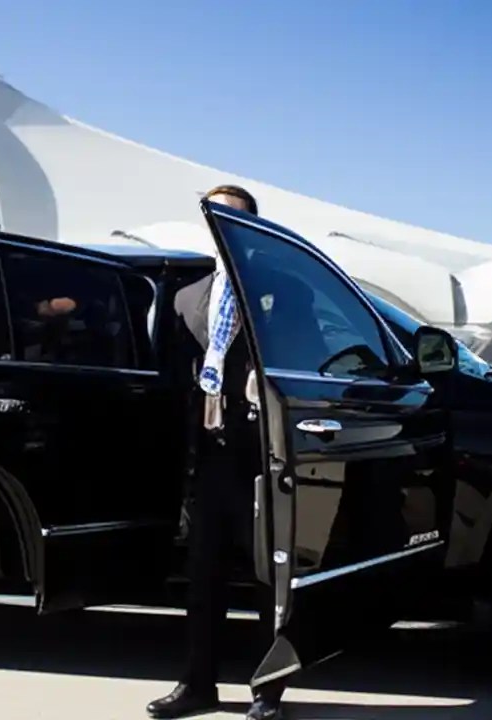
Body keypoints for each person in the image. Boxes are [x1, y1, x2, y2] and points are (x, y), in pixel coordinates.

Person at [146, 185, 287, 720]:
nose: (221, 227)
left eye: (232, 219)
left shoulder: (278, 291)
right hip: (211, 457)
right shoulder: (187, 298)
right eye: (214, 218)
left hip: (267, 458)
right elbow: (173, 385)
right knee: (204, 580)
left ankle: (267, 693)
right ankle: (197, 685)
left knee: (265, 580)